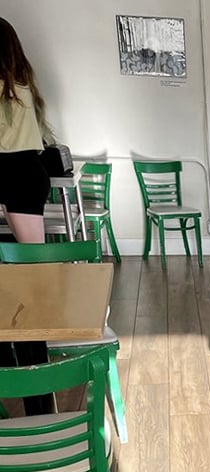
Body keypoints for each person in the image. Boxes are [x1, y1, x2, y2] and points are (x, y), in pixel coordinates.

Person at [0, 18, 54, 413]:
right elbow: (44, 132)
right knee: (32, 276)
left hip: (7, 167)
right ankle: (39, 381)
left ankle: (8, 362)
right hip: (28, 171)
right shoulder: (25, 84)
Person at [0, 17, 51, 241]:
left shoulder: (10, 89)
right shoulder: (22, 86)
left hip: (18, 173)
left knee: (32, 259)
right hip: (25, 171)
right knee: (29, 257)